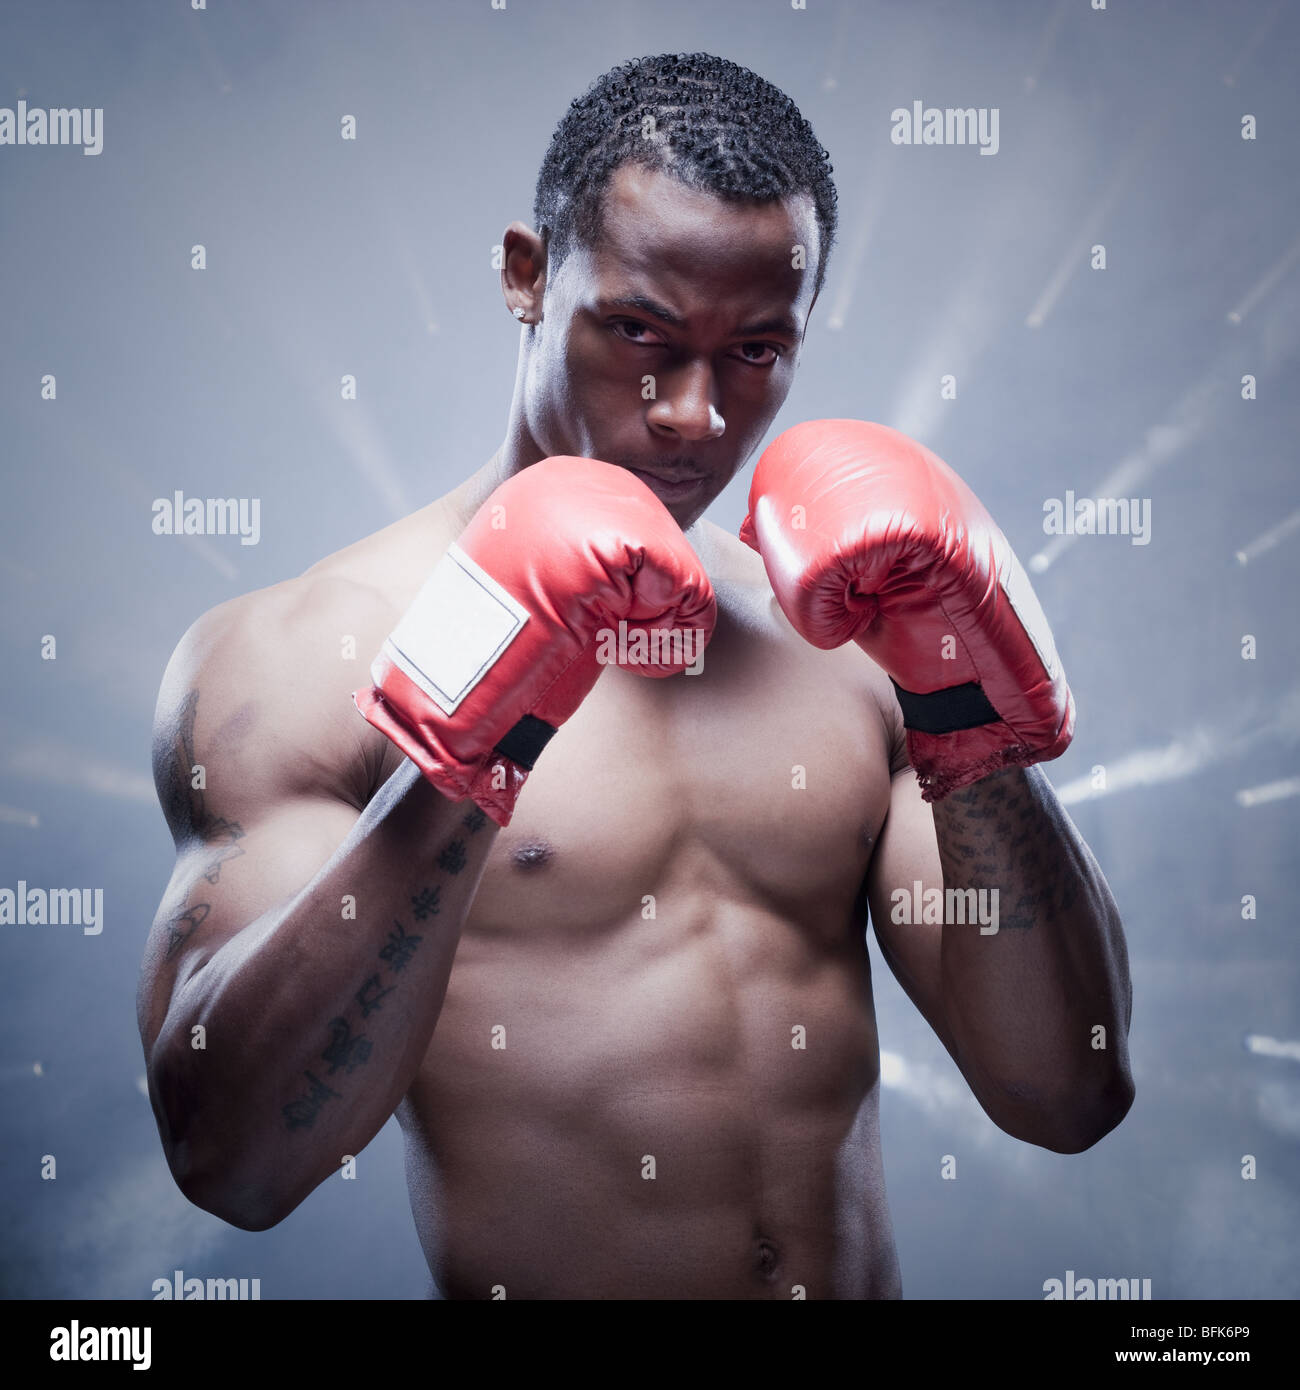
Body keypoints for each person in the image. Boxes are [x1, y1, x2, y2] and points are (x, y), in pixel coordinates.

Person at [137, 52, 1133, 1299]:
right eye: (640, 331)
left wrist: (959, 707)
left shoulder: (842, 637)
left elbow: (1069, 1089)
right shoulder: (293, 660)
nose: (693, 415)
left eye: (758, 351)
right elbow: (231, 1158)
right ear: (526, 274)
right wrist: (468, 746)